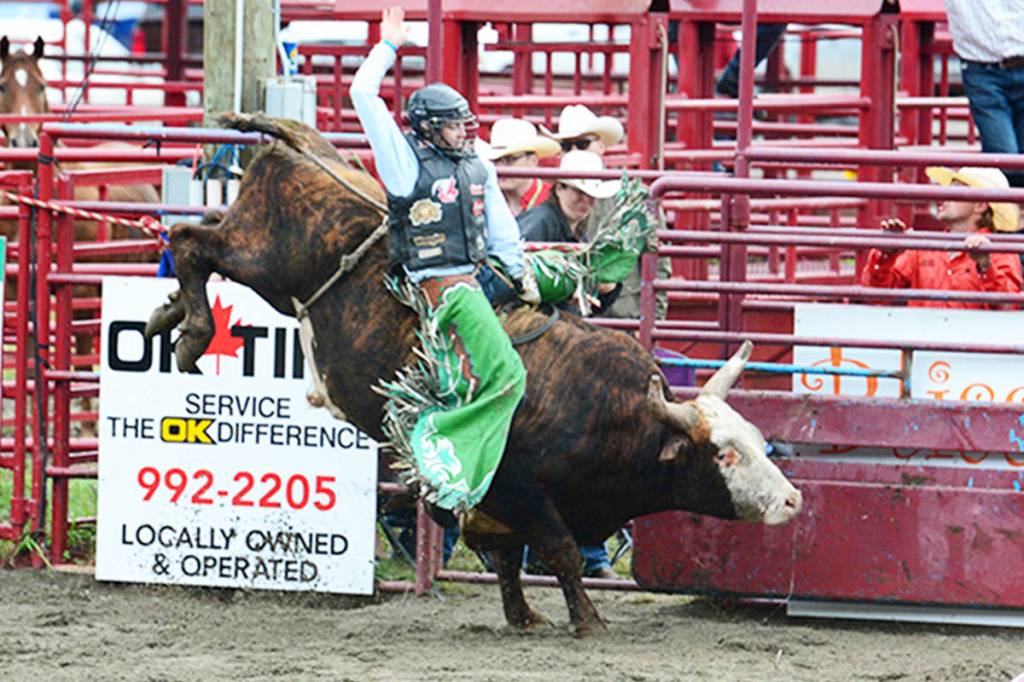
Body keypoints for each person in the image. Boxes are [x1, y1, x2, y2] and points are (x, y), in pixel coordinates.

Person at [350, 6, 539, 517]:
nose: (464, 132)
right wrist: (388, 46)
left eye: (464, 124)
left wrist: (519, 273)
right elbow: (363, 95)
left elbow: (500, 225)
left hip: (478, 278)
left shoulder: (476, 165)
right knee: (509, 376)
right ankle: (445, 462)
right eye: (454, 126)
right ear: (430, 129)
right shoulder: (402, 161)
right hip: (440, 286)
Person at [860, 166, 1022, 308]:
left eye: (956, 191)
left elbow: (1008, 307)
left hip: (934, 332)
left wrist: (986, 266)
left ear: (980, 205)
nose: (945, 197)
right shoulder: (924, 247)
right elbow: (876, 295)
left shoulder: (1001, 252)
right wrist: (886, 254)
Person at [944, 1, 1024, 187]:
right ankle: (1009, 203)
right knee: (1003, 157)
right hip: (982, 68)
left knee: (1006, 159)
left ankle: (1010, 202)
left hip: (989, 63)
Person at [475, 117, 560, 216]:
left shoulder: (552, 200)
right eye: (495, 160)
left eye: (510, 159)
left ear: (533, 161)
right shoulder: (484, 197)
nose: (500, 167)